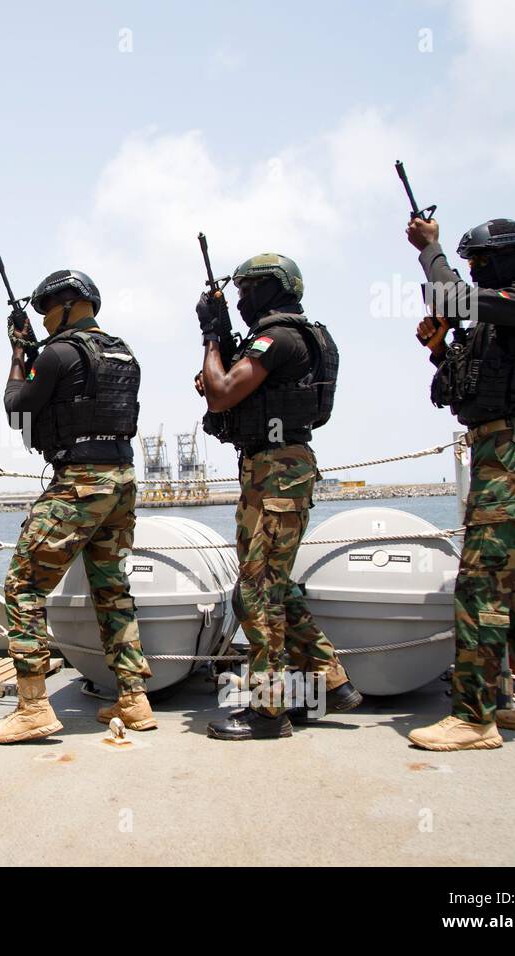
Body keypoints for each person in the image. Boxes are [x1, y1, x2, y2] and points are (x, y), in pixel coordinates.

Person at [405, 216, 515, 751]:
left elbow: (455, 296)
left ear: (512, 258)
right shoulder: (499, 323)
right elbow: (464, 391)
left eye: (481, 261)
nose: (475, 270)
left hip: (513, 452)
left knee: (480, 582)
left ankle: (474, 717)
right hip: (494, 449)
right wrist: (439, 351)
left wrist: (430, 249)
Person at [0, 269, 154, 745]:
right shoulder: (123, 352)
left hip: (79, 482)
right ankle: (134, 699)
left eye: (47, 312)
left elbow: (18, 410)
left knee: (22, 586)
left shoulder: (57, 353)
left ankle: (34, 706)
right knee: (112, 589)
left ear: (67, 305)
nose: (45, 322)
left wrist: (19, 355)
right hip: (121, 480)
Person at [196, 253, 361, 741]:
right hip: (274, 468)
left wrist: (210, 337)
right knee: (275, 588)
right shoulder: (295, 336)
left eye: (248, 291)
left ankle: (269, 711)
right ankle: (331, 681)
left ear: (272, 289)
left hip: (276, 473)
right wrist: (223, 335)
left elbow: (221, 391)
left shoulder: (280, 338)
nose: (243, 300)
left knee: (255, 594)